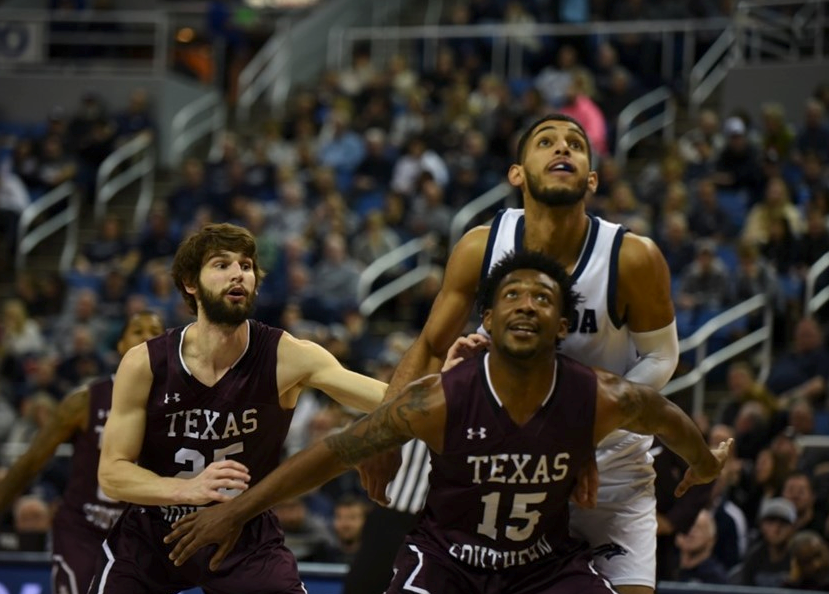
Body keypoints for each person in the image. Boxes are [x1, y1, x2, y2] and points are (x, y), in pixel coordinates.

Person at [164, 251, 730, 594]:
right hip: (447, 566)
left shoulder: (601, 397)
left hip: (540, 567)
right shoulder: (440, 399)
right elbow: (334, 453)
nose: (527, 304)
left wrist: (705, 464)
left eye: (542, 297)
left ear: (562, 324)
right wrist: (236, 511)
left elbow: (670, 419)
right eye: (512, 295)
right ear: (489, 317)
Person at [351, 113, 680, 594]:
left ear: (592, 177)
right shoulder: (480, 248)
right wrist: (378, 438)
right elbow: (429, 346)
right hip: (508, 462)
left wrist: (589, 425)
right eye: (546, 142)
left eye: (575, 144)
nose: (562, 148)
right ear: (517, 173)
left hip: (606, 464)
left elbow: (662, 359)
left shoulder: (633, 257)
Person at [88, 223, 387, 593]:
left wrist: (458, 383)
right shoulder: (145, 363)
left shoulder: (287, 355)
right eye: (221, 265)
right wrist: (187, 491)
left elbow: (389, 399)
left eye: (246, 266)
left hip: (243, 529)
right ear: (190, 283)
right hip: (155, 532)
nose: (238, 274)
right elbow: (112, 474)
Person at [0, 310, 165, 594]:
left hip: (138, 535)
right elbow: (30, 463)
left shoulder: (176, 405)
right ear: (120, 344)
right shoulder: (85, 401)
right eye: (138, 331)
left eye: (155, 332)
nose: (147, 338)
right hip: (83, 531)